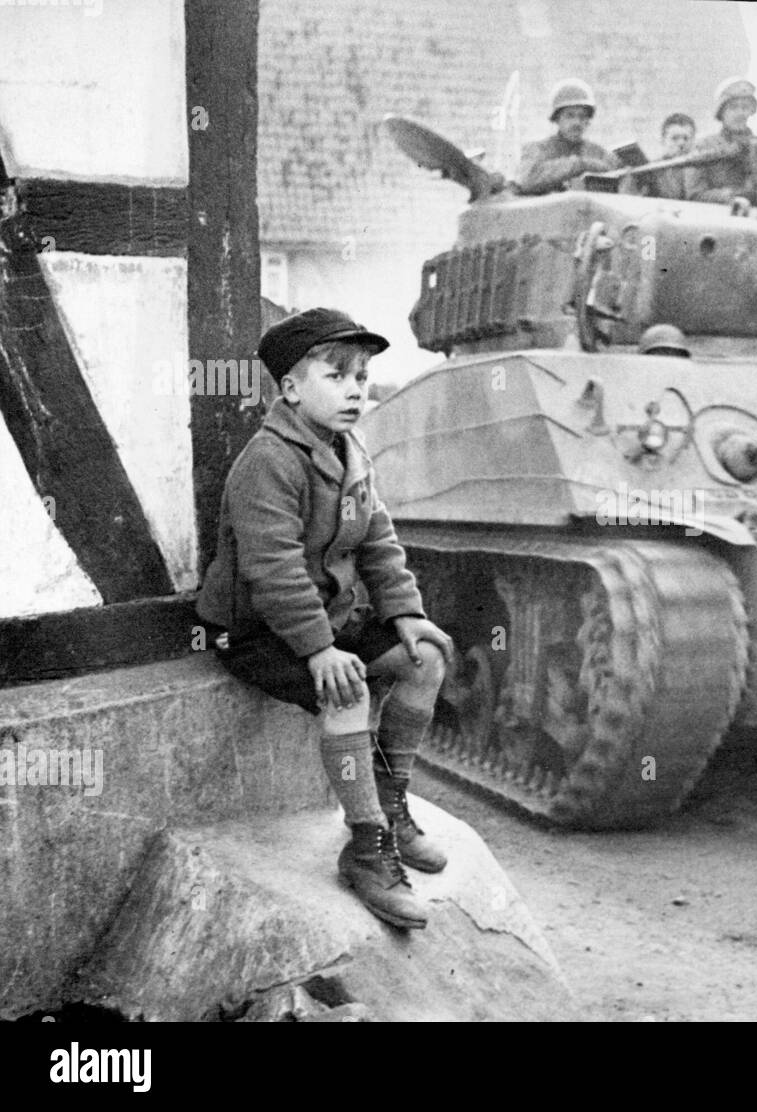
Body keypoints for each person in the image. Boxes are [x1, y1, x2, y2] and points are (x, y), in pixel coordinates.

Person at [196, 307, 456, 931]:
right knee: (347, 691)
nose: (354, 389)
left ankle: (390, 809)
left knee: (426, 659)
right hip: (254, 629)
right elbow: (273, 567)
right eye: (335, 376)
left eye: (362, 377)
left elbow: (378, 540)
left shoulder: (350, 449)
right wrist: (319, 650)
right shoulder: (269, 460)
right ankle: (366, 850)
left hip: (324, 623)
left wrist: (406, 614)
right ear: (290, 389)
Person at [685, 77, 757, 210]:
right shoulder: (704, 146)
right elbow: (694, 194)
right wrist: (730, 197)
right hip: (715, 221)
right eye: (733, 107)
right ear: (721, 112)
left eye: (745, 107)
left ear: (751, 111)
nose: (740, 113)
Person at [515, 78, 618, 196]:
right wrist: (580, 165)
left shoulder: (599, 154)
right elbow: (526, 180)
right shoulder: (538, 149)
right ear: (557, 119)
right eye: (570, 115)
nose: (577, 122)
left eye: (582, 116)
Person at [641, 113, 696, 201]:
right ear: (663, 140)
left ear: (693, 140)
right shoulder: (653, 170)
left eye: (686, 138)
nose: (681, 143)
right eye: (675, 138)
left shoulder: (700, 167)